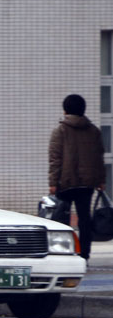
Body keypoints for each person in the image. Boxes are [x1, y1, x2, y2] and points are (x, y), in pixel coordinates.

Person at [48, 94, 105, 260]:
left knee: (61, 218)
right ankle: (84, 254)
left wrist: (53, 182)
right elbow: (99, 158)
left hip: (65, 183)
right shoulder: (93, 131)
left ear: (65, 111)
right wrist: (101, 180)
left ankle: (63, 252)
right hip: (87, 184)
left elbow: (55, 159)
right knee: (85, 219)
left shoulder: (60, 131)